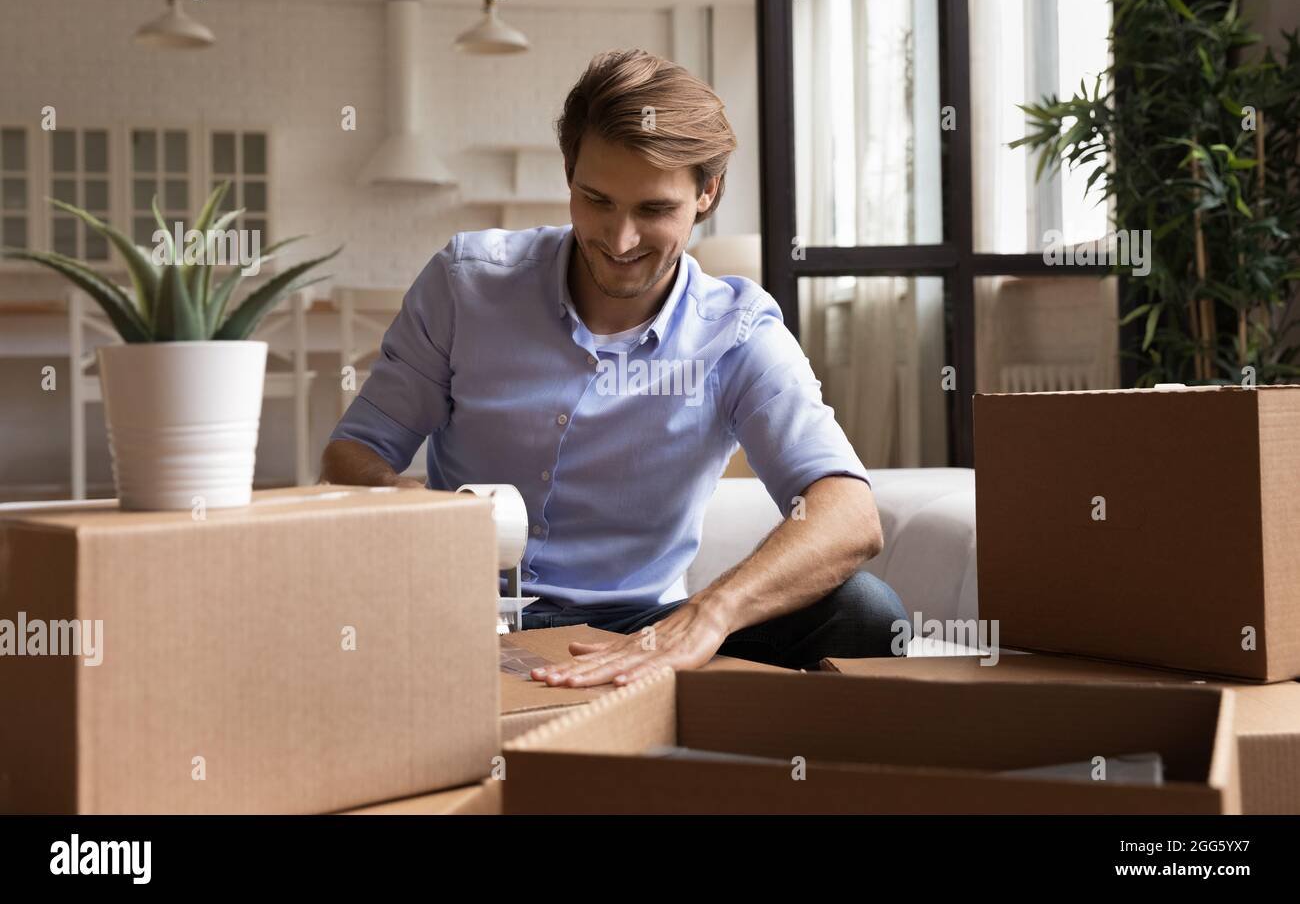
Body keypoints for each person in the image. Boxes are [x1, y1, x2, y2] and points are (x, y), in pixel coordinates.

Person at [320, 49, 909, 686]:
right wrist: (414, 508)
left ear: (706, 193)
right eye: (596, 199)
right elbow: (353, 452)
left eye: (654, 210)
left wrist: (707, 615)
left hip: (631, 626)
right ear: (569, 173)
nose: (619, 239)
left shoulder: (736, 332)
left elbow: (848, 513)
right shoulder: (467, 285)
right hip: (458, 610)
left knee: (867, 614)